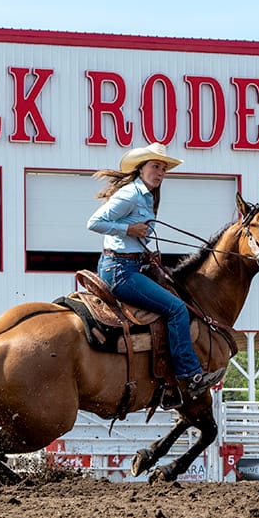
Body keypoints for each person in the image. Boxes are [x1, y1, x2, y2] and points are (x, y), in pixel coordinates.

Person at [86, 142, 220, 409]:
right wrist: (129, 230)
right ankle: (189, 375)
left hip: (131, 264)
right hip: (120, 271)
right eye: (155, 167)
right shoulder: (130, 194)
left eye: (163, 168)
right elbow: (94, 222)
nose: (160, 173)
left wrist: (144, 252)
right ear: (141, 168)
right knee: (176, 309)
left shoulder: (146, 195)